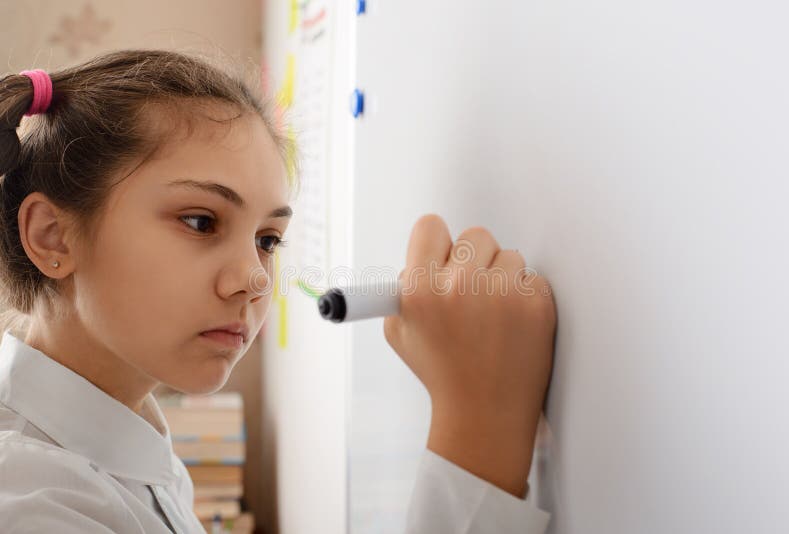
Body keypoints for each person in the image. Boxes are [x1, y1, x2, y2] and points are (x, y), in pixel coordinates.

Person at [0, 50, 556, 533]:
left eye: (268, 239)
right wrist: (478, 434)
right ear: (52, 236)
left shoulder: (124, 434)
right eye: (201, 222)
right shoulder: (34, 505)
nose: (257, 277)